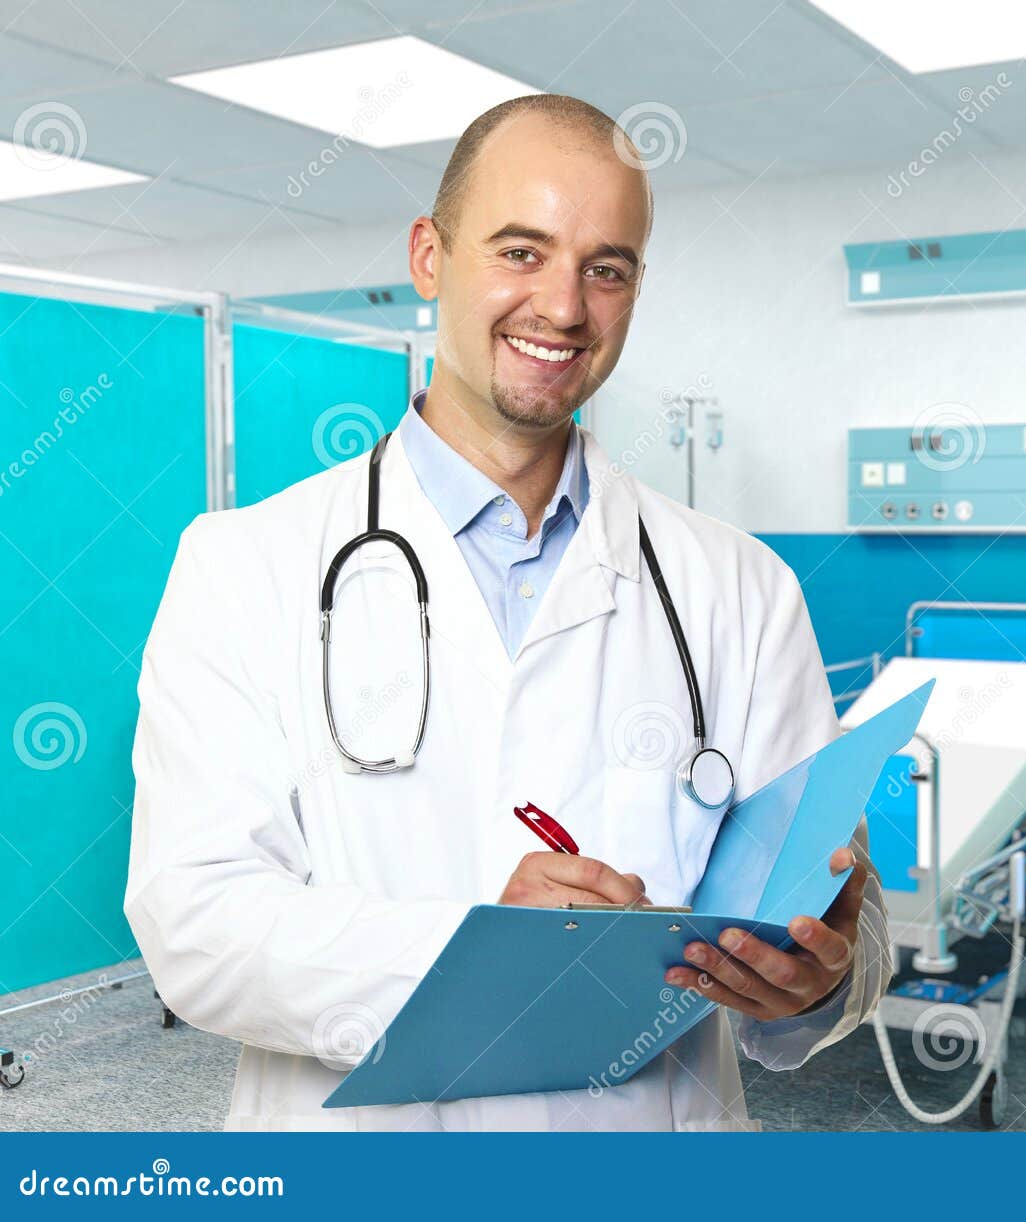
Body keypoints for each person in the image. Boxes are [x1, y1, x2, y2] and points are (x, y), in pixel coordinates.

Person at [125, 94, 890, 1131]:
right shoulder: (244, 568)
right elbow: (195, 924)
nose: (565, 307)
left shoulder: (737, 587)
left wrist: (820, 980)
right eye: (521, 251)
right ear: (430, 257)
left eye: (605, 267)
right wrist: (479, 951)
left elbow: (836, 901)